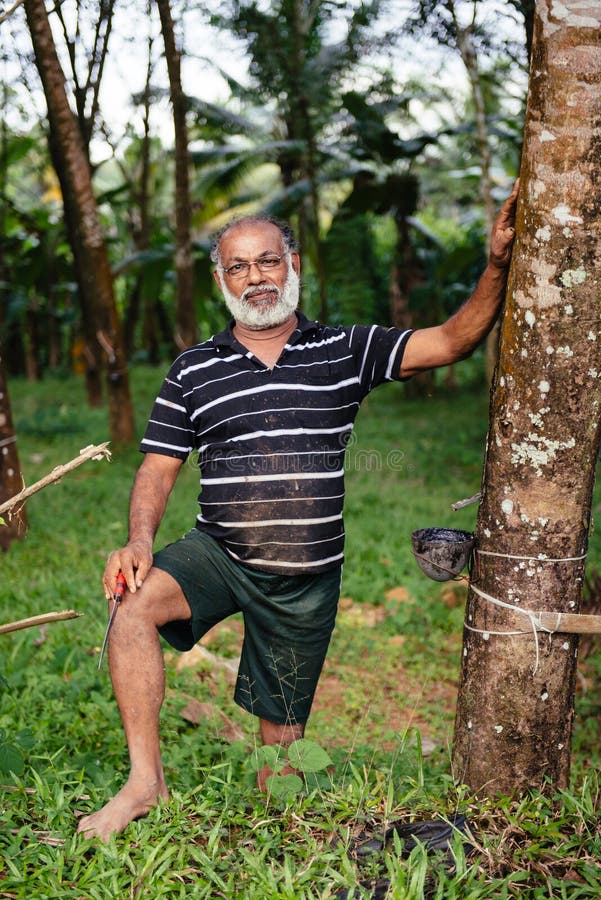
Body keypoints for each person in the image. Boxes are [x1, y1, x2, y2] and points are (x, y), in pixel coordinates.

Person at [77, 182, 519, 841]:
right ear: (219, 277)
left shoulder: (343, 350)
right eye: (238, 265)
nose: (255, 276)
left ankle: (279, 826)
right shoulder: (193, 369)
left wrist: (495, 266)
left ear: (294, 266)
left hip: (304, 579)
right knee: (130, 604)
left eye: (267, 260)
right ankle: (145, 783)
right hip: (217, 553)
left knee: (281, 773)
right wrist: (139, 540)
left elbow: (450, 341)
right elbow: (157, 467)